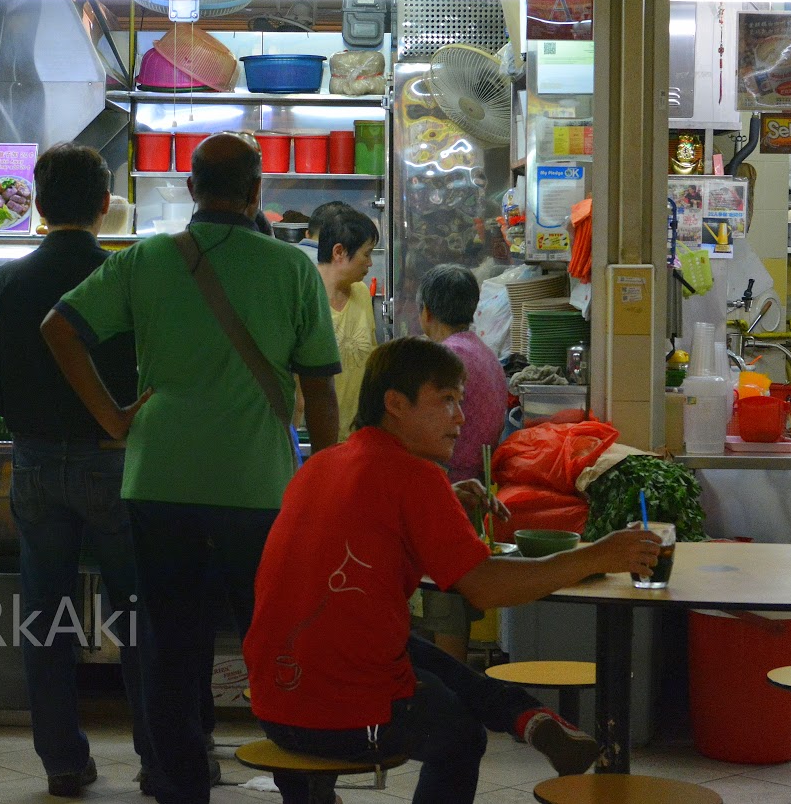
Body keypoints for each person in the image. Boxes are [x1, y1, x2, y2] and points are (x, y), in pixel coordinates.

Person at [42, 132, 342, 804]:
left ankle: (181, 788)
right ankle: (305, 788)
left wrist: (114, 418)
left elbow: (58, 328)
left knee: (172, 650)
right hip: (258, 488)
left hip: (160, 481)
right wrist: (328, 485)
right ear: (256, 191)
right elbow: (319, 391)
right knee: (275, 648)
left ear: (189, 188)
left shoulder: (147, 258)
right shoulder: (291, 268)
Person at [244, 338, 661, 804]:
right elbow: (484, 588)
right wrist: (598, 555)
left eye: (460, 401)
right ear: (395, 405)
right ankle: (524, 715)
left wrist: (446, 505)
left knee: (409, 651)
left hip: (272, 704)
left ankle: (527, 717)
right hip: (347, 721)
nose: (460, 417)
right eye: (445, 400)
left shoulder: (320, 465)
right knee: (460, 736)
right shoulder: (415, 477)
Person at [0, 143, 150, 797]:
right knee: (137, 613)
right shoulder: (129, 277)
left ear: (37, 207)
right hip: (116, 462)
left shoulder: (3, 282)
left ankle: (63, 761)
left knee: (46, 616)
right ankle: (161, 753)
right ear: (105, 206)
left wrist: (32, 405)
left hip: (36, 463)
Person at [416, 264, 512, 660]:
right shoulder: (484, 354)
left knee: (445, 606)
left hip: (446, 490)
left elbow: (426, 431)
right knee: (454, 597)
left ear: (426, 312)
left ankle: (448, 702)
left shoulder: (445, 358)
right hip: (471, 490)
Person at [315, 207, 380, 428]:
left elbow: (370, 359)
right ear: (339, 252)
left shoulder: (361, 293)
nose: (370, 263)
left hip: (357, 434)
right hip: (314, 435)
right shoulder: (305, 296)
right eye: (367, 253)